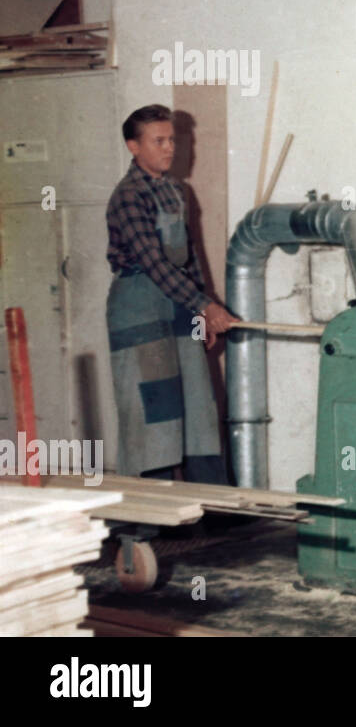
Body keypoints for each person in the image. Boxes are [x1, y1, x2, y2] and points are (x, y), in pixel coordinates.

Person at [106, 104, 240, 483]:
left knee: (199, 407)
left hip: (179, 306)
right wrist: (205, 305)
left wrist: (200, 315)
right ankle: (144, 527)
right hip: (140, 313)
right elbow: (155, 264)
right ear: (133, 146)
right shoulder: (129, 196)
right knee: (155, 414)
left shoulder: (176, 191)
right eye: (158, 141)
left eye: (172, 140)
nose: (169, 149)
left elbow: (190, 258)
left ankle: (212, 513)